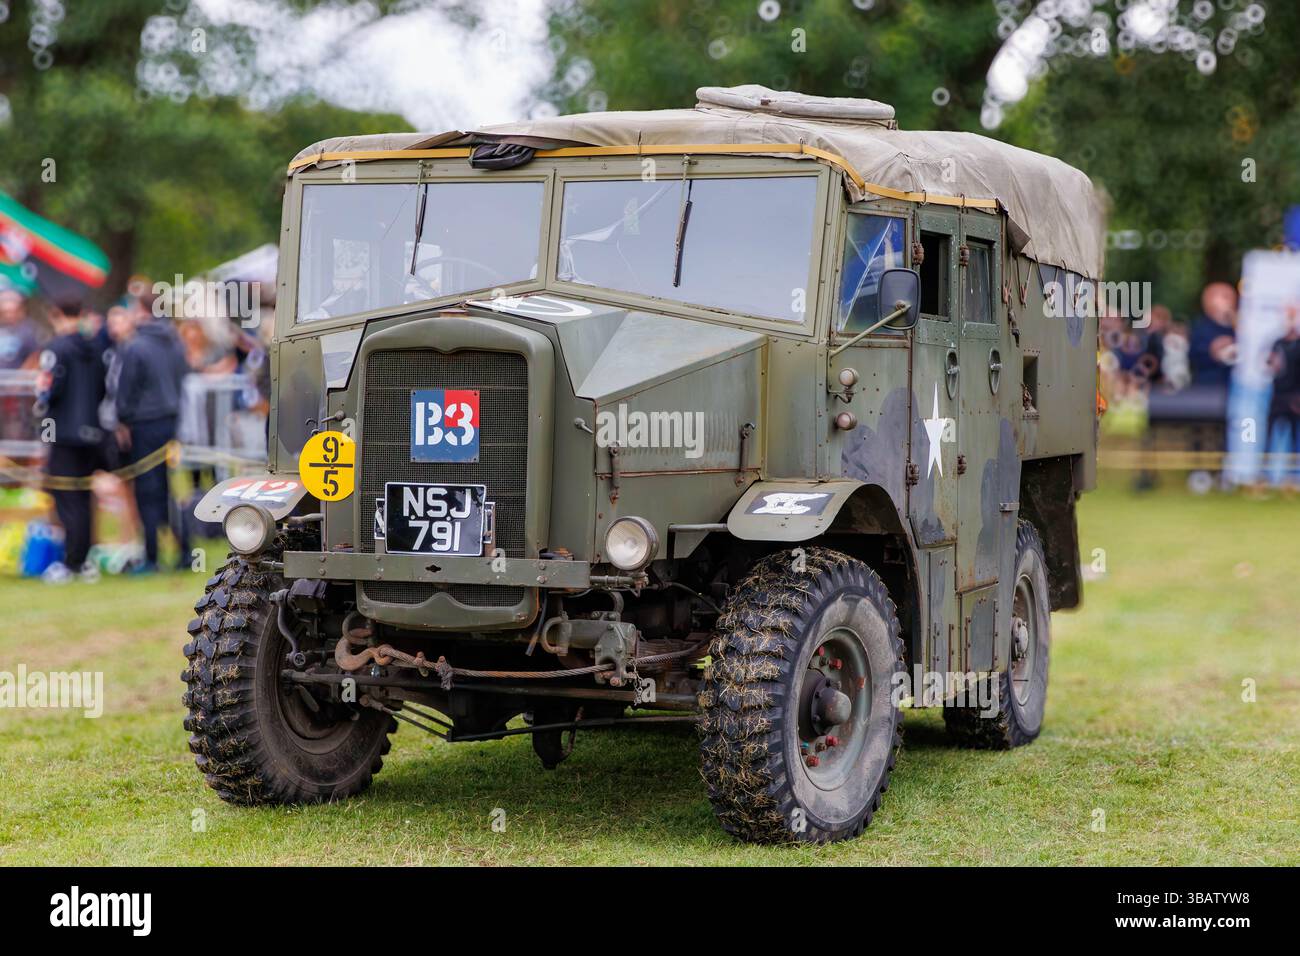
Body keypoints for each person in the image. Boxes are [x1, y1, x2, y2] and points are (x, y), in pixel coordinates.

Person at [36, 298, 109, 581]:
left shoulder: (56, 348)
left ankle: (72, 561)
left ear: (56, 315)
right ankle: (84, 559)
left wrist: (42, 419)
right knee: (83, 497)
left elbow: (47, 390)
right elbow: (104, 388)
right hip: (92, 431)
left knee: (66, 497)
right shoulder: (98, 347)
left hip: (63, 432)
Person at [115, 303, 192, 572]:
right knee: (169, 490)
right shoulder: (175, 342)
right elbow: (185, 375)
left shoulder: (136, 346)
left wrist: (122, 419)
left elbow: (126, 390)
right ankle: (184, 552)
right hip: (170, 420)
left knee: (148, 491)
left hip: (145, 423)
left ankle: (152, 557)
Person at [1189, 282, 1238, 387]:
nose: (1231, 300)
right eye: (1225, 297)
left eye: (1232, 296)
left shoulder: (1239, 327)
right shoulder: (1201, 328)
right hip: (1210, 388)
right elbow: (1194, 355)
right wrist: (1212, 350)